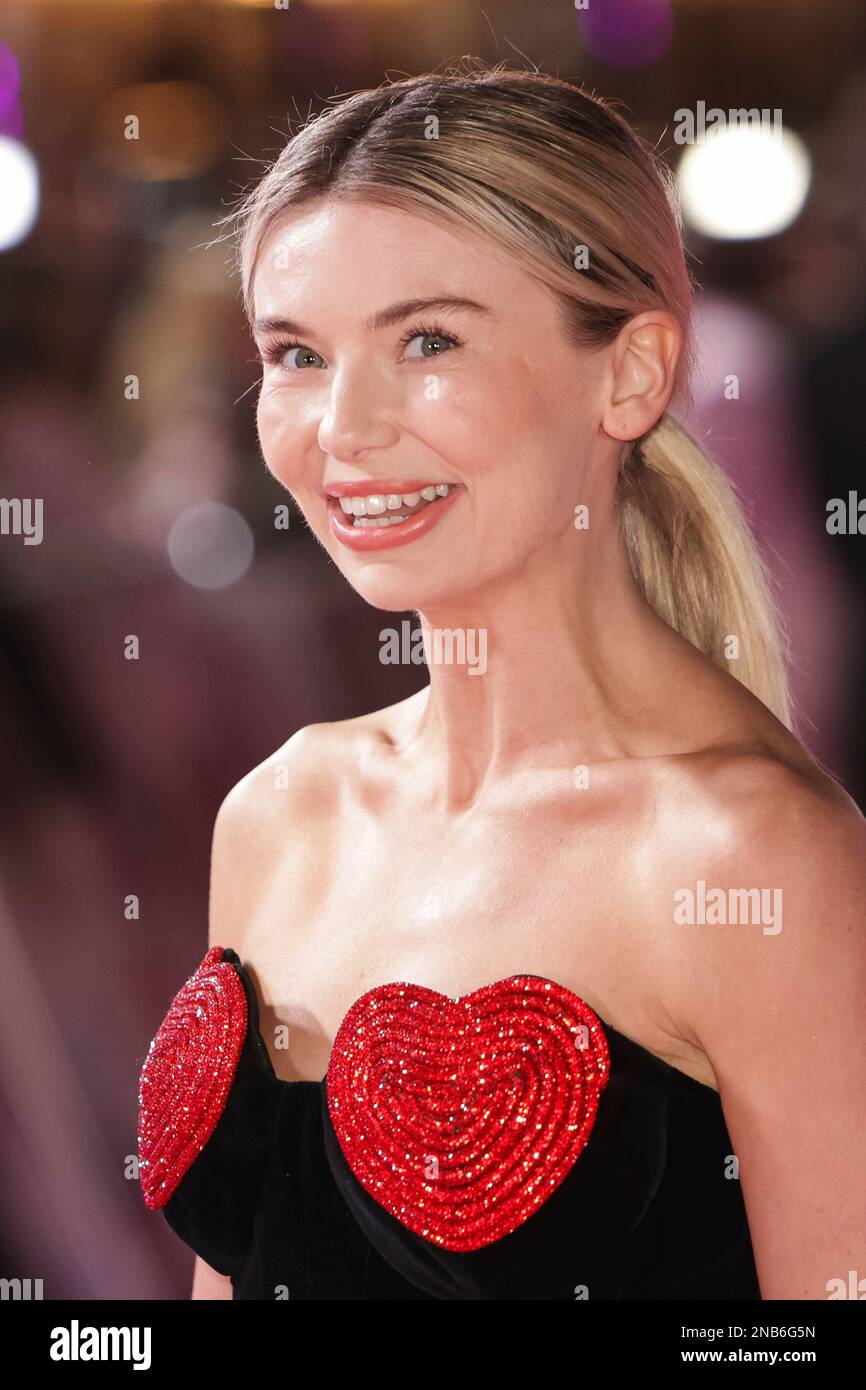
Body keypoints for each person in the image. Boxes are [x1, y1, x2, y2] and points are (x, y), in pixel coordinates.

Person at [137, 65, 866, 1301]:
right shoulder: (282, 814)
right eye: (297, 354)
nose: (342, 429)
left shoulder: (749, 858)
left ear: (629, 375)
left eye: (427, 341)